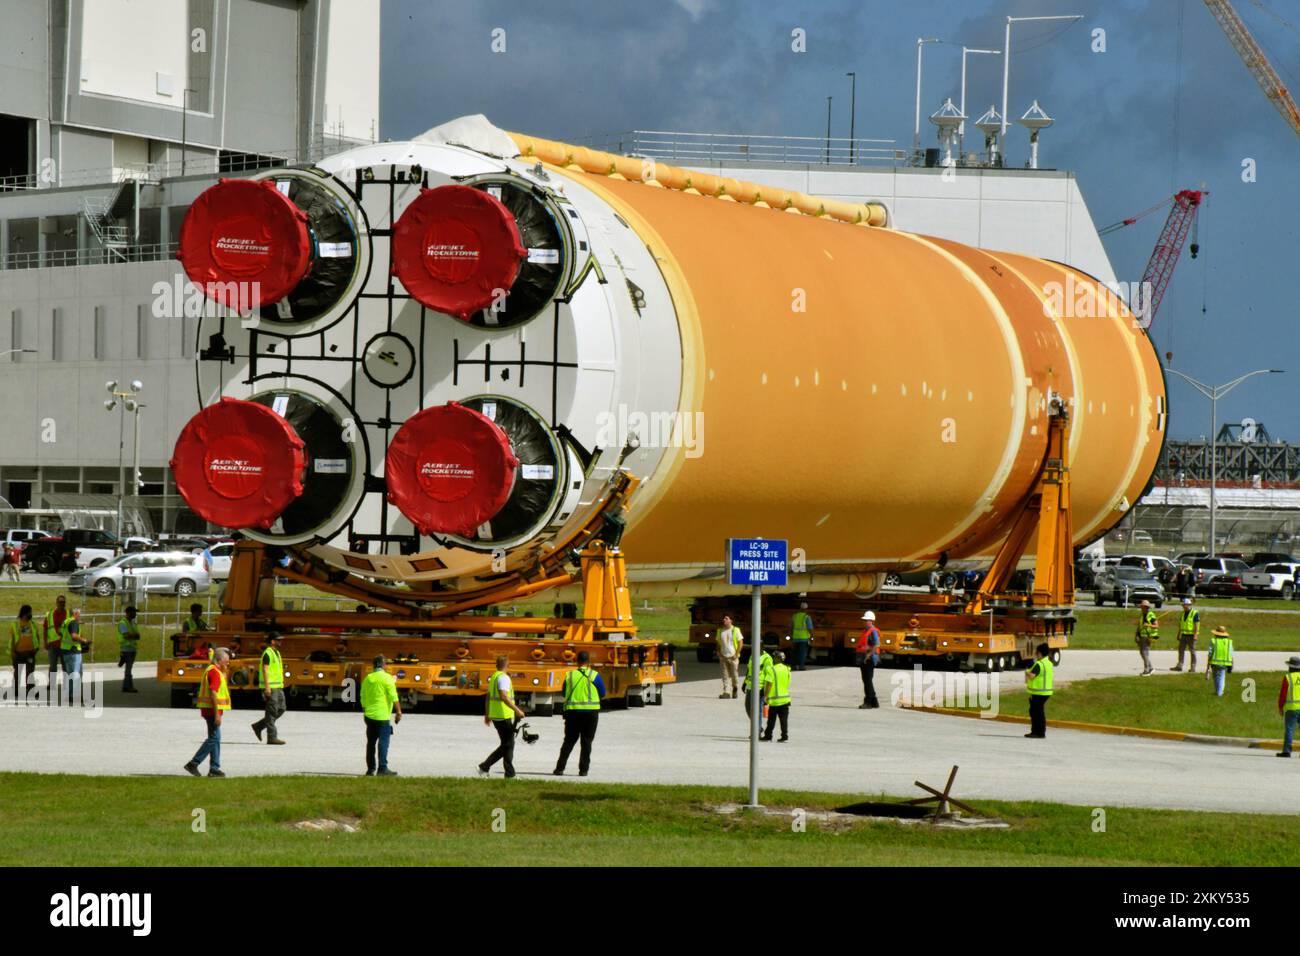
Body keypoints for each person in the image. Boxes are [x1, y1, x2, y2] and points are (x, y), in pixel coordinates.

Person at [553, 651, 605, 777]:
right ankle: (583, 770)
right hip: (590, 714)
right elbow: (602, 693)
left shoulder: (569, 675)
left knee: (569, 741)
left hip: (572, 713)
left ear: (577, 661)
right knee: (586, 742)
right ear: (588, 662)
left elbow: (564, 693)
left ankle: (560, 768)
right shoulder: (594, 675)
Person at [184, 647, 230, 777]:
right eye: (226, 661)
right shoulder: (214, 672)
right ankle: (193, 763)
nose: (228, 663)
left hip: (209, 710)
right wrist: (217, 714)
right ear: (219, 660)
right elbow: (213, 694)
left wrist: (225, 672)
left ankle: (214, 768)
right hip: (212, 711)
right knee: (214, 738)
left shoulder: (213, 670)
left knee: (216, 739)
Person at [479, 654, 525, 778]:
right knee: (508, 745)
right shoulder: (504, 678)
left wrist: (487, 714)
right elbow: (503, 696)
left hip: (496, 715)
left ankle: (507, 773)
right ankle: (486, 767)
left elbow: (488, 696)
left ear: (496, 665)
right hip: (503, 715)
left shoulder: (494, 677)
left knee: (507, 744)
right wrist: (517, 710)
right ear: (508, 666)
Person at [360, 654, 401, 775]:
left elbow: (363, 697)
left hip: (369, 716)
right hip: (382, 716)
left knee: (371, 743)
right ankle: (382, 768)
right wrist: (398, 712)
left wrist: (366, 711)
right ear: (384, 665)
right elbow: (394, 696)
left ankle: (370, 769)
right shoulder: (387, 678)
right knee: (383, 742)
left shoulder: (368, 679)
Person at [251, 632, 287, 745]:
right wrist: (267, 687)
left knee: (281, 709)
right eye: (279, 640)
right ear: (272, 641)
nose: (281, 641)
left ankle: (259, 726)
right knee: (272, 711)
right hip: (271, 686)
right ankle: (272, 737)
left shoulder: (276, 653)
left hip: (278, 686)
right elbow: (265, 670)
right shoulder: (268, 653)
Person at [761, 650, 793, 742]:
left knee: (771, 720)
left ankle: (768, 735)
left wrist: (765, 696)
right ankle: (784, 736)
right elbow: (787, 682)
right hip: (785, 699)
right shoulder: (787, 669)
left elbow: (769, 683)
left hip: (775, 700)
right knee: (784, 720)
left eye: (774, 657)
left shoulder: (772, 669)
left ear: (777, 659)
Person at [1024, 643, 1054, 738]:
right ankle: (1037, 731)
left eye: (1036, 652)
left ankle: (1038, 732)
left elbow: (1032, 676)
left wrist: (1027, 672)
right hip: (1046, 691)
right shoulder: (1048, 663)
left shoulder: (1039, 664)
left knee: (1036, 712)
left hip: (1039, 692)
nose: (1036, 654)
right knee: (1038, 711)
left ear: (1040, 653)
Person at [741, 645, 774, 727]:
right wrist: (744, 682)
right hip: (750, 686)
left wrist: (766, 693)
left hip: (760, 688)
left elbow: (769, 676)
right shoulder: (752, 656)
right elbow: (749, 669)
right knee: (748, 708)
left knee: (757, 711)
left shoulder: (767, 658)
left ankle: (757, 730)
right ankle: (758, 727)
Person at [9, 605, 38, 692]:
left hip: (30, 653)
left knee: (30, 673)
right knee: (17, 672)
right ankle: (15, 690)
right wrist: (12, 652)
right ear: (25, 613)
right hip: (18, 653)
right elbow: (12, 639)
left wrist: (36, 648)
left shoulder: (32, 624)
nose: (31, 614)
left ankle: (30, 690)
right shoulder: (15, 625)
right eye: (30, 612)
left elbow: (36, 636)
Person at [857, 610, 881, 709]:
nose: (865, 622)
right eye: (864, 620)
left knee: (867, 680)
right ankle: (874, 701)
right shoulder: (866, 631)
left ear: (871, 621)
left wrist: (869, 655)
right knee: (867, 680)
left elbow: (877, 644)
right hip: (864, 657)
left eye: (867, 620)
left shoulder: (873, 631)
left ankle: (868, 702)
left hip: (869, 658)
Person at [1277, 656, 1300, 757]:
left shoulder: (1288, 677)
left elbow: (1283, 694)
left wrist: (1280, 707)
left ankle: (1287, 750)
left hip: (1292, 708)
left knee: (1290, 729)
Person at [43, 594, 70, 679]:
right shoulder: (50, 614)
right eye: (60, 602)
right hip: (53, 645)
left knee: (66, 667)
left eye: (63, 602)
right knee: (53, 667)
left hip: (65, 645)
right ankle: (52, 684)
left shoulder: (69, 614)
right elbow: (45, 629)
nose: (62, 604)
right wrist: (45, 642)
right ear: (56, 603)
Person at [716, 614, 743, 699]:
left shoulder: (735, 630)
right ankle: (726, 692)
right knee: (725, 675)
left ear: (731, 620)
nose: (724, 620)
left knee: (734, 675)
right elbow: (718, 642)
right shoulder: (720, 631)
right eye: (723, 618)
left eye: (726, 618)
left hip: (733, 657)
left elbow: (740, 643)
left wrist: (736, 654)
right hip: (723, 656)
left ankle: (735, 688)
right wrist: (718, 652)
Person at [1171, 597, 1200, 672]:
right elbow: (1181, 624)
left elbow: (1196, 625)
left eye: (1184, 605)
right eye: (1183, 605)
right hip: (1183, 634)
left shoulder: (1195, 613)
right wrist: (1178, 634)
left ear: (1188, 605)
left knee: (1192, 651)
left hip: (1191, 635)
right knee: (1181, 650)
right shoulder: (1182, 613)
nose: (1183, 606)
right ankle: (1179, 666)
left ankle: (1193, 667)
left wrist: (1195, 634)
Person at [117, 605, 141, 693]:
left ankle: (126, 686)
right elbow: (126, 635)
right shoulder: (123, 623)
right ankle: (129, 687)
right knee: (128, 669)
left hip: (132, 649)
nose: (135, 614)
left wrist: (133, 636)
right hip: (126, 649)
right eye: (133, 612)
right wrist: (134, 635)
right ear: (128, 613)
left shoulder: (133, 623)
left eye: (135, 612)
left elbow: (138, 636)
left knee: (129, 668)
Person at [1206, 625, 1234, 697]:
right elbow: (1231, 654)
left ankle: (1219, 692)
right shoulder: (1229, 642)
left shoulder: (1213, 641)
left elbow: (1210, 653)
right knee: (1221, 677)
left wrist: (1208, 665)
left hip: (1215, 662)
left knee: (1215, 677)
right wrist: (1231, 664)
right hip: (1225, 663)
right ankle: (1218, 692)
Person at [1135, 599, 1158, 676]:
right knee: (1142, 652)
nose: (1141, 608)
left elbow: (1156, 626)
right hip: (1142, 636)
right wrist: (1136, 635)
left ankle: (1147, 670)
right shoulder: (1142, 615)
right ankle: (1151, 668)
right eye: (1141, 606)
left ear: (1146, 607)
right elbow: (1139, 626)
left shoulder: (1151, 615)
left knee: (1145, 652)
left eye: (1143, 606)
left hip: (1148, 636)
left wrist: (1148, 625)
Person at [790, 603, 814, 671]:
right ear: (806, 609)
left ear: (800, 608)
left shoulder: (795, 616)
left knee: (794, 653)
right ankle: (801, 666)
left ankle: (793, 666)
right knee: (802, 653)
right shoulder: (806, 617)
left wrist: (791, 636)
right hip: (804, 638)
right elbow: (810, 628)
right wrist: (812, 637)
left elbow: (791, 627)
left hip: (795, 638)